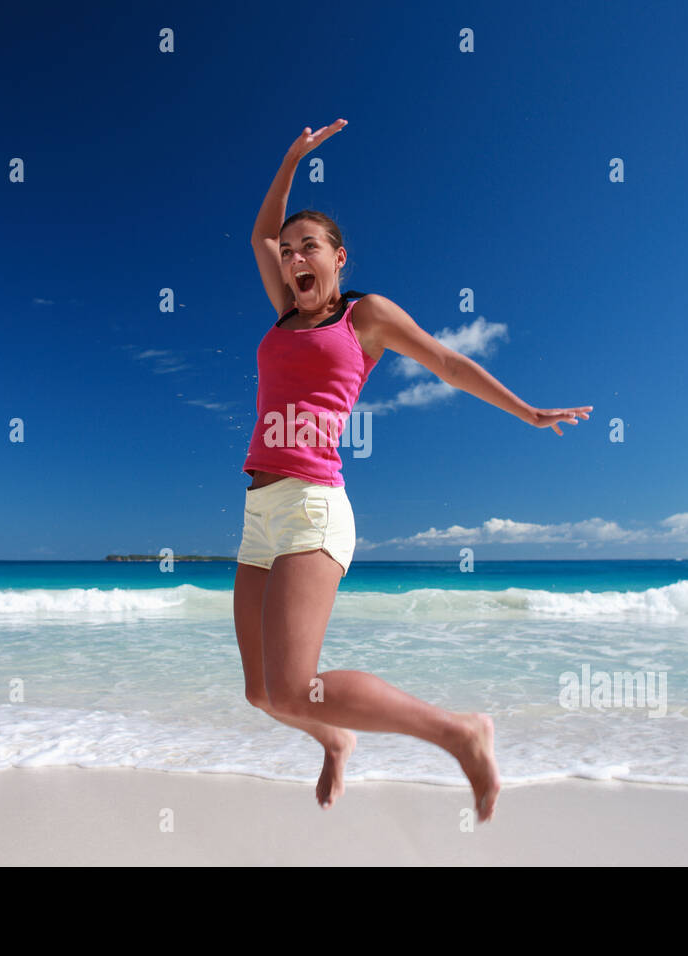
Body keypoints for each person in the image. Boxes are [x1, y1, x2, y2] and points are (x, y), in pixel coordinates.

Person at [234, 119, 592, 823]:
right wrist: (291, 160)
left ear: (338, 258)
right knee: (264, 695)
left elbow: (447, 363)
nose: (294, 257)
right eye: (289, 251)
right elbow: (259, 236)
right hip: (258, 512)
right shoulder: (283, 318)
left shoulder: (362, 316)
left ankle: (459, 731)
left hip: (313, 503)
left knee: (296, 682)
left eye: (311, 247)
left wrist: (526, 411)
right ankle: (336, 739)